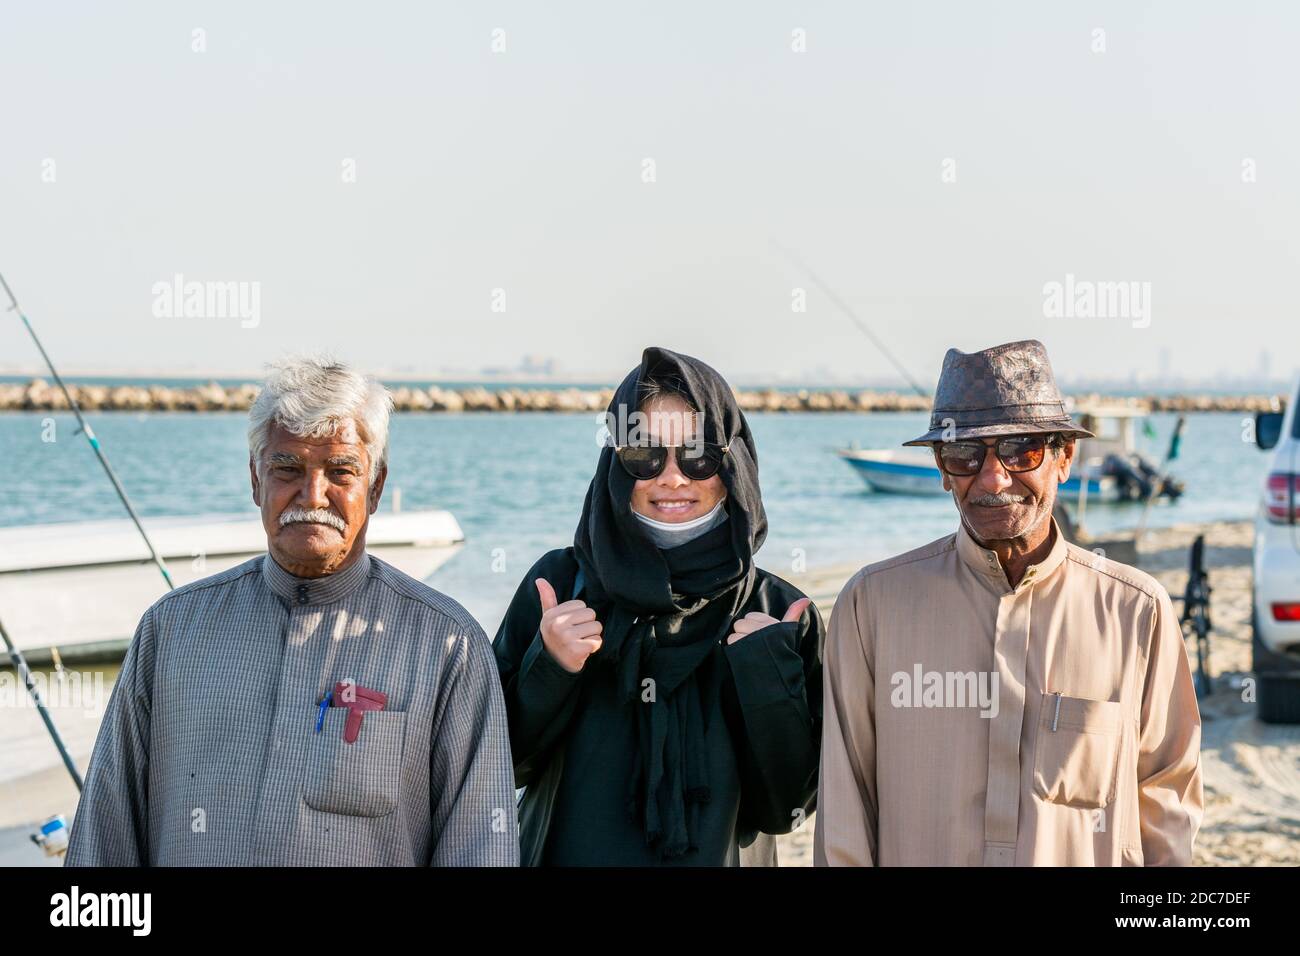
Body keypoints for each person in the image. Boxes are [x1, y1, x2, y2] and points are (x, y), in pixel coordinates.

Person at [66, 356, 518, 866]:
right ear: (256, 481)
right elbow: (104, 838)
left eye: (341, 470)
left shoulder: (447, 647)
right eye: (287, 469)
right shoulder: (171, 631)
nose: (312, 494)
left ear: (376, 487)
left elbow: (481, 847)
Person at [815, 339, 1203, 866]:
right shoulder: (871, 608)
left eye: (1022, 450)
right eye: (965, 454)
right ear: (942, 467)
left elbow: (1166, 802)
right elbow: (844, 811)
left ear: (1065, 457)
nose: (994, 479)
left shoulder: (1137, 612)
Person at [494, 346, 823, 865]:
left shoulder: (778, 611)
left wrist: (768, 683)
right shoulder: (559, 584)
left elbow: (786, 811)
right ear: (616, 462)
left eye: (699, 455)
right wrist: (550, 667)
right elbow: (501, 769)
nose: (672, 478)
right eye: (645, 455)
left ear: (734, 462)